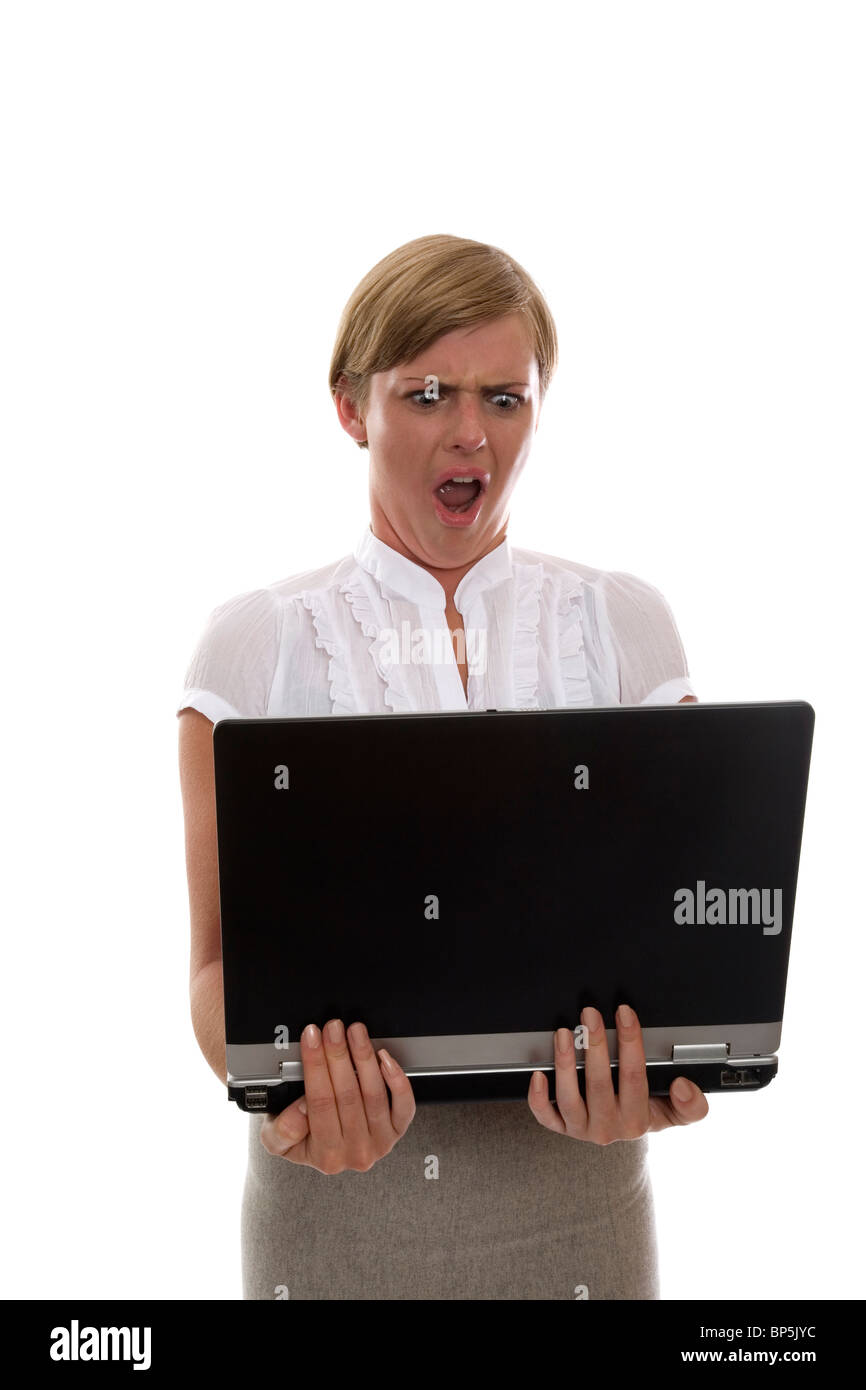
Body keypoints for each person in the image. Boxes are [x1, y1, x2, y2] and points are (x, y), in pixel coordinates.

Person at [177, 233, 709, 1301]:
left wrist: (659, 1075)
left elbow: (685, 942)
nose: (470, 432)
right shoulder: (255, 645)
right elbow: (212, 972)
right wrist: (291, 1095)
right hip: (334, 1209)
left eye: (504, 398)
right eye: (426, 393)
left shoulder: (623, 627)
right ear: (350, 407)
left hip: (582, 1211)